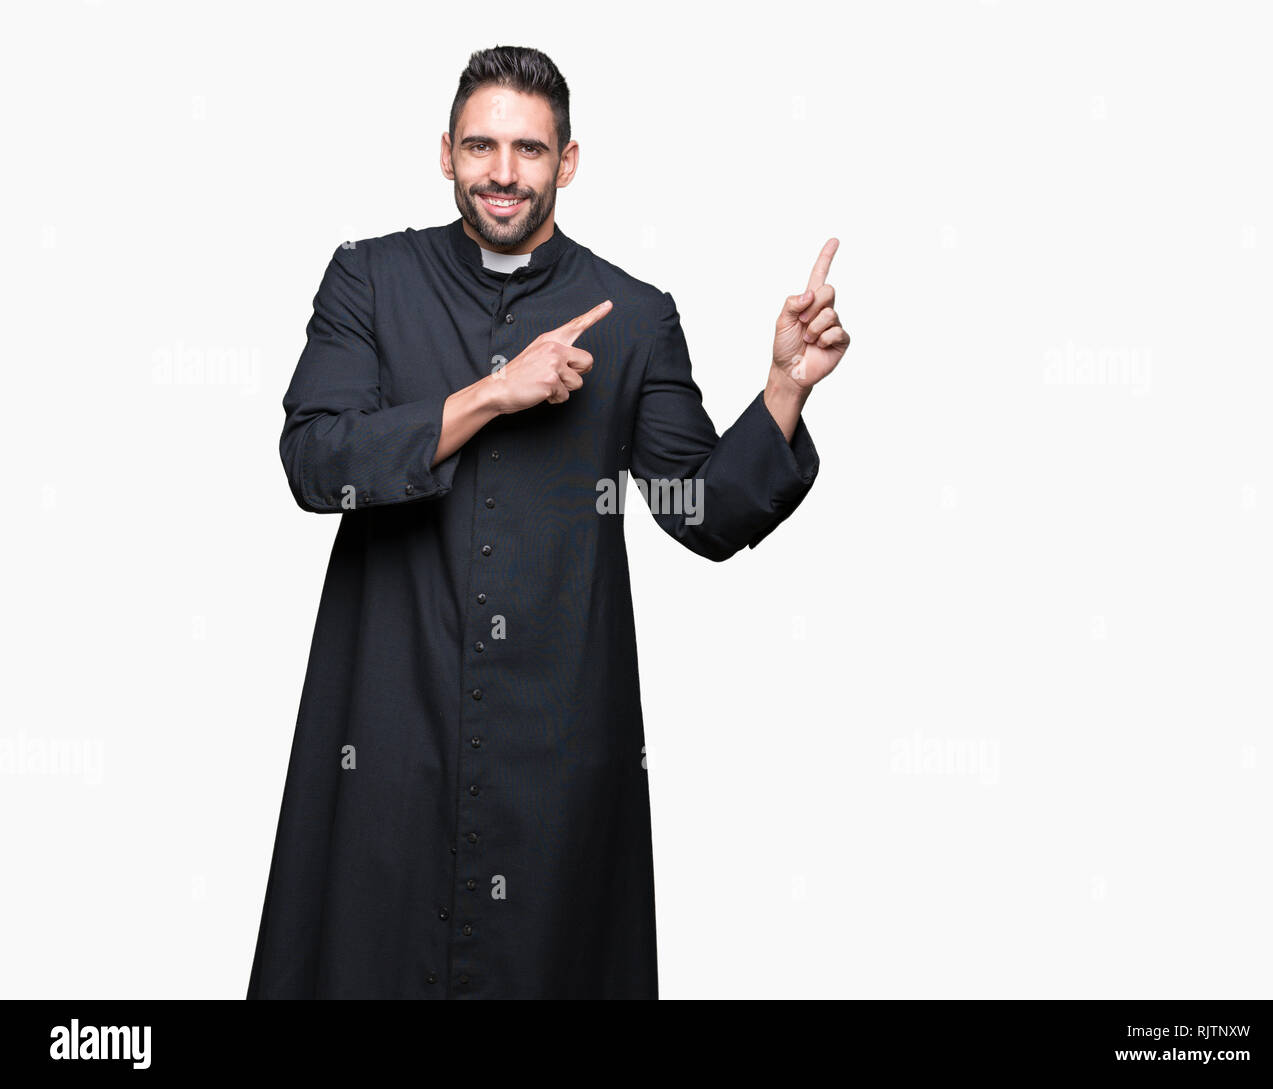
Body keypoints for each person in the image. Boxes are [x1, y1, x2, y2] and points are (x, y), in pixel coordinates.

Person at [247, 44, 850, 1000]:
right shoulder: (367, 279)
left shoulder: (638, 316)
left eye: (529, 150)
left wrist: (781, 392)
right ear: (444, 152)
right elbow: (317, 463)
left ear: (567, 162)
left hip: (557, 746)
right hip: (388, 725)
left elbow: (700, 510)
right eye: (481, 146)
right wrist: (491, 394)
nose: (502, 172)